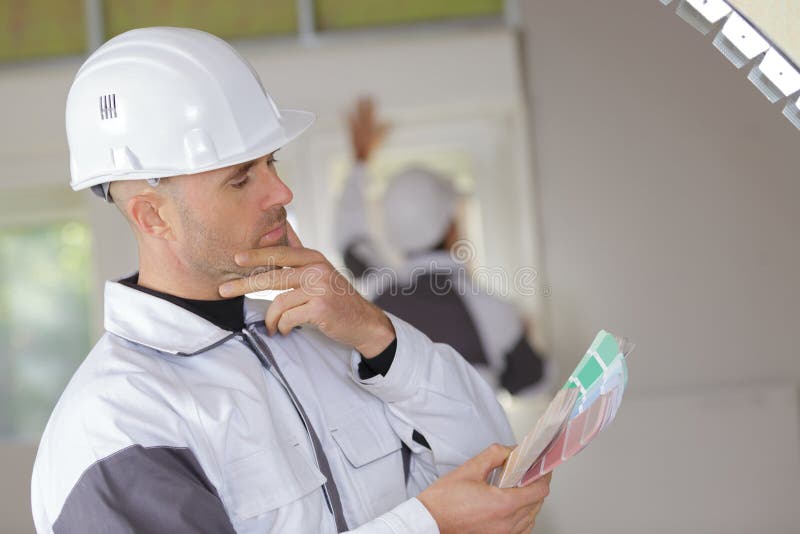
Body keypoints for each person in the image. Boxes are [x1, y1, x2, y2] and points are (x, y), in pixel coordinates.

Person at [30, 27, 551, 533]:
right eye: (241, 177)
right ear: (153, 217)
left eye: (270, 162)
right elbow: (450, 511)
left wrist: (376, 333)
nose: (281, 192)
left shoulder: (323, 341)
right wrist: (429, 525)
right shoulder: (114, 424)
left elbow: (487, 460)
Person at [335, 99, 552, 397]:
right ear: (451, 226)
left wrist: (360, 161)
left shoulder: (376, 294)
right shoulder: (491, 311)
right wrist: (524, 332)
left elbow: (350, 238)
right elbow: (535, 386)